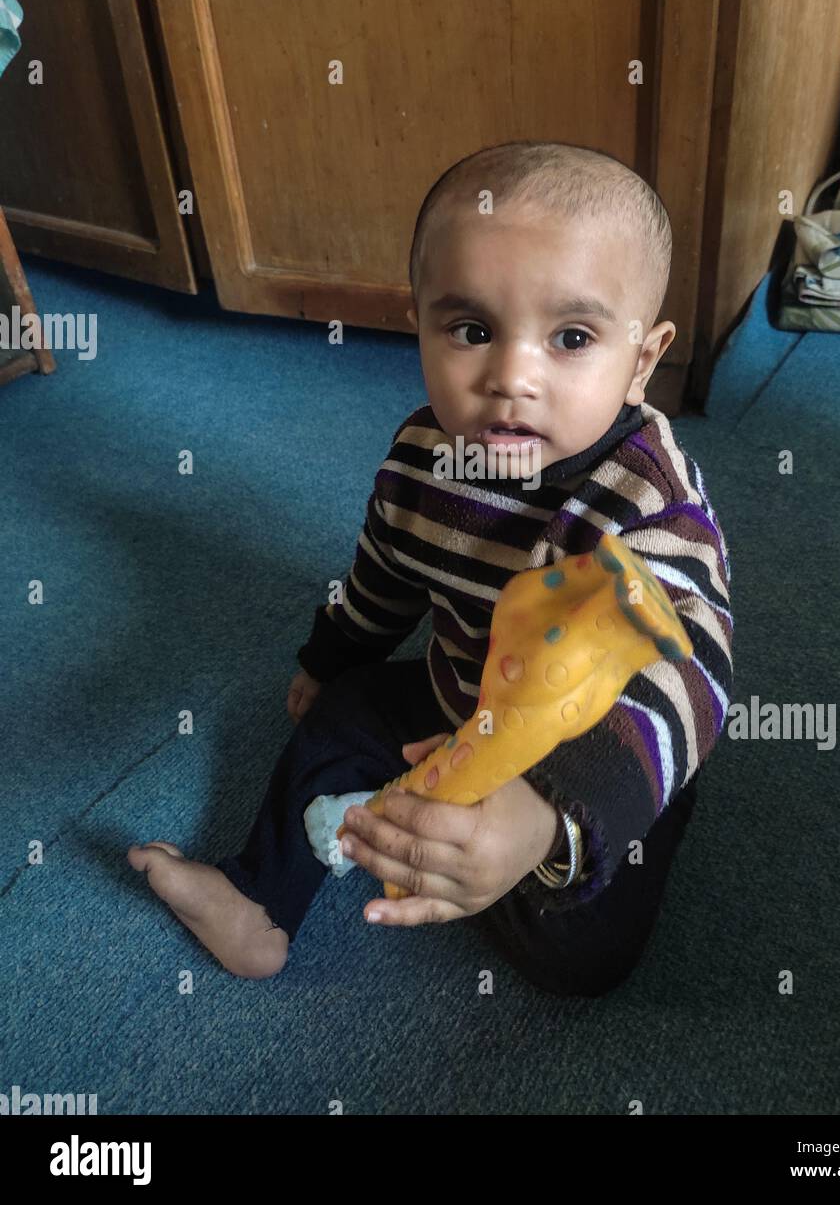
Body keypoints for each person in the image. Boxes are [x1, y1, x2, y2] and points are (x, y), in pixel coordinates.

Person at [128, 140, 734, 997]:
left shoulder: (648, 499)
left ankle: (503, 849)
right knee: (341, 713)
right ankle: (257, 898)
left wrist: (542, 820)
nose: (511, 377)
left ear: (641, 360)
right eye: (472, 331)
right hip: (456, 698)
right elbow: (387, 569)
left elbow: (687, 668)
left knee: (582, 956)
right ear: (419, 326)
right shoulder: (425, 455)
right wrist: (332, 657)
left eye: (570, 337)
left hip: (595, 741)